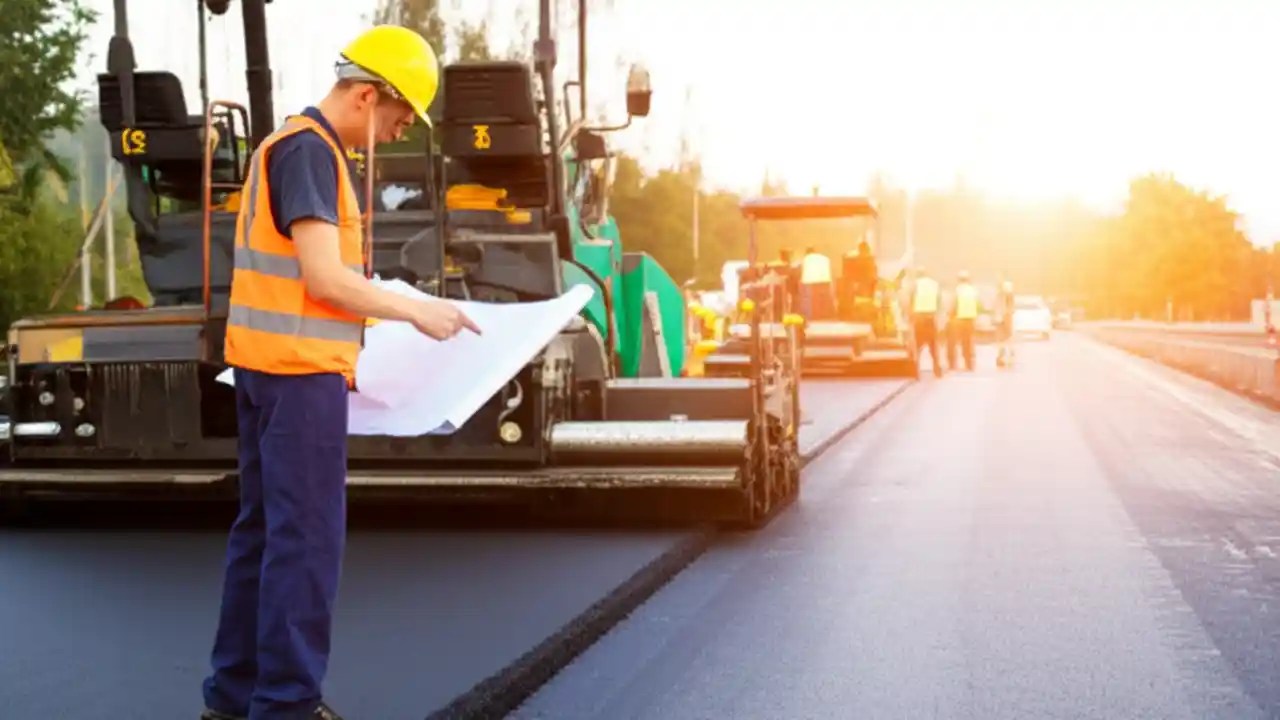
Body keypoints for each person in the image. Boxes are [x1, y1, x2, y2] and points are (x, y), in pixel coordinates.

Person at [200, 26, 479, 720]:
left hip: (265, 372)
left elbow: (304, 276)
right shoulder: (312, 153)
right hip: (298, 381)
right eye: (395, 119)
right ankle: (287, 704)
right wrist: (415, 309)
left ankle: (233, 700)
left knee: (262, 535)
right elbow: (325, 278)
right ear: (366, 95)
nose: (389, 133)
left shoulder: (284, 146)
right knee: (305, 540)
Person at [910, 266, 943, 378]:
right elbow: (938, 300)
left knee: (917, 346)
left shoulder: (915, 284)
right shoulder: (934, 284)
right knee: (933, 345)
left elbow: (911, 299)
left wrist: (911, 316)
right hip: (931, 316)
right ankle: (937, 370)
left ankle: (915, 372)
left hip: (919, 317)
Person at [951, 270, 979, 371]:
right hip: (971, 319)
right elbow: (977, 305)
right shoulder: (973, 290)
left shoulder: (958, 290)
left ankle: (953, 364)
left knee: (954, 342)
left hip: (960, 319)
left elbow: (954, 304)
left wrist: (950, 316)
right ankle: (969, 364)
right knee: (968, 342)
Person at [996, 275, 1016, 367]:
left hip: (1003, 318)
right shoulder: (1007, 297)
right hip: (1004, 318)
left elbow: (1005, 309)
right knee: (1006, 338)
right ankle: (1005, 356)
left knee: (1004, 339)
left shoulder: (1003, 296)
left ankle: (1004, 356)